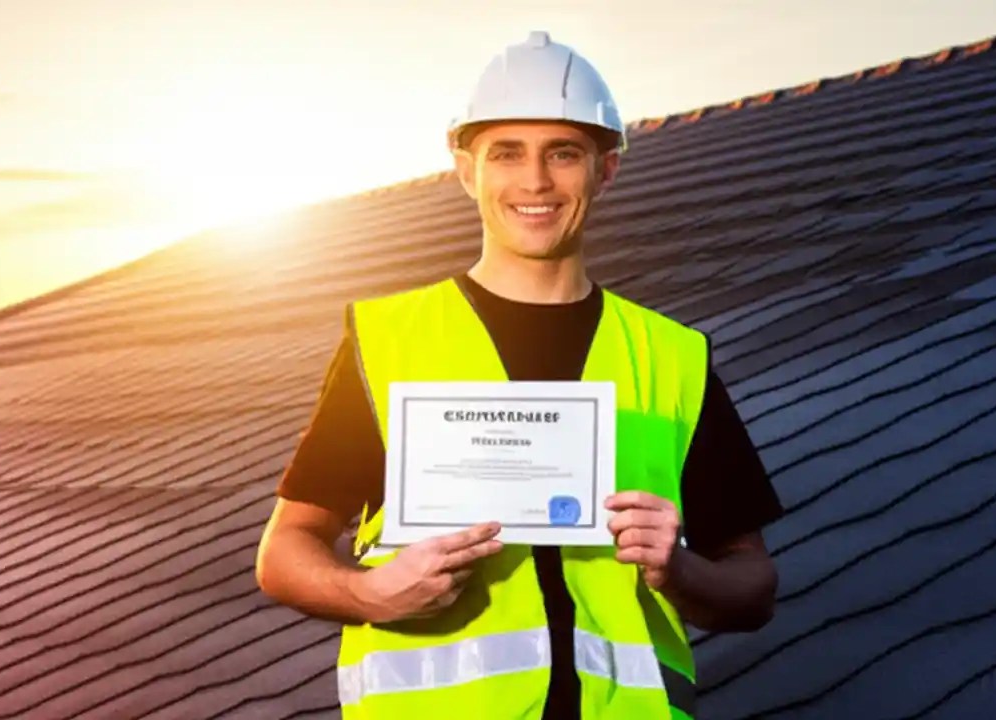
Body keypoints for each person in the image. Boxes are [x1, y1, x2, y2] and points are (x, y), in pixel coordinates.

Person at [256, 30, 783, 720]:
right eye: (507, 153)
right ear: (465, 170)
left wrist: (678, 569)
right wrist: (371, 593)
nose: (535, 181)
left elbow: (753, 585)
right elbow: (284, 550)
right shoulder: (390, 342)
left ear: (605, 169)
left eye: (562, 152)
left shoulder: (671, 356)